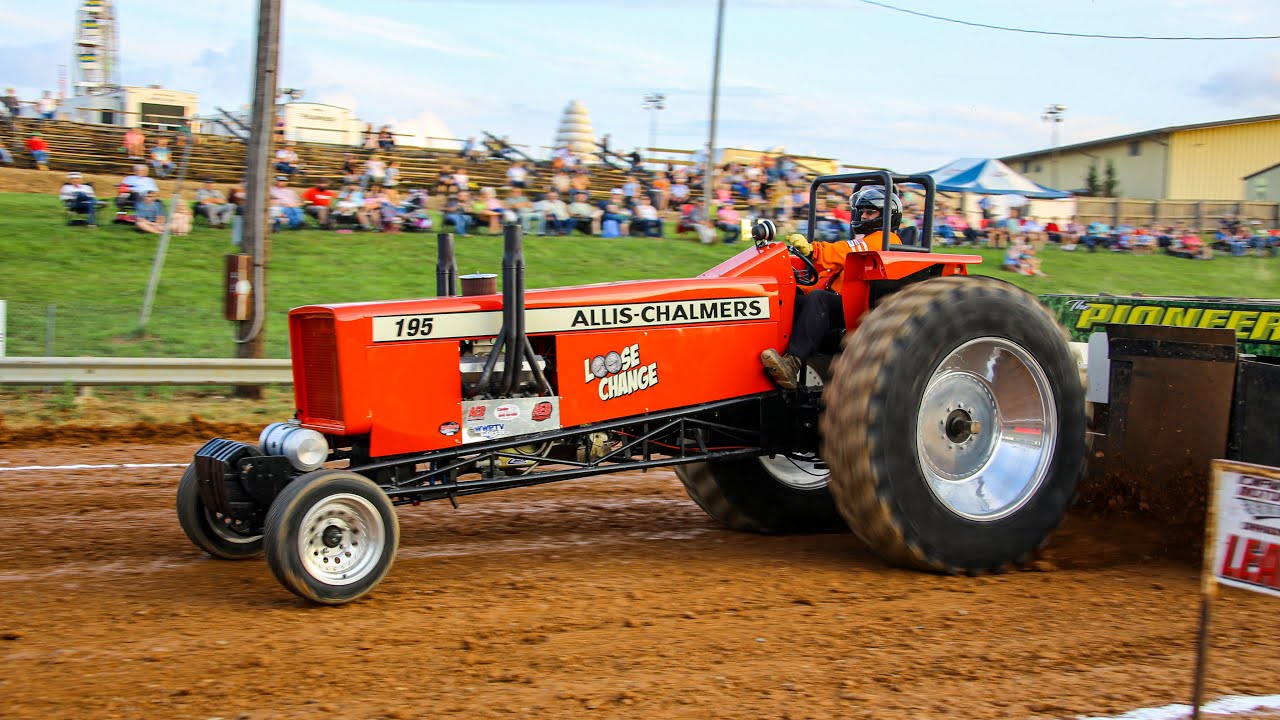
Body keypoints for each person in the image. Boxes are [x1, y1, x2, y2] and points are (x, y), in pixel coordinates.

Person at [760, 187, 903, 390]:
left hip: (862, 310)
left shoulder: (885, 240)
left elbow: (844, 251)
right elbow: (830, 275)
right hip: (844, 302)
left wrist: (814, 250)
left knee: (820, 299)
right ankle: (769, 353)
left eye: (870, 212)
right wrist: (800, 290)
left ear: (887, 215)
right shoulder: (866, 242)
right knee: (795, 298)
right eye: (862, 211)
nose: (863, 216)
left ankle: (792, 364)